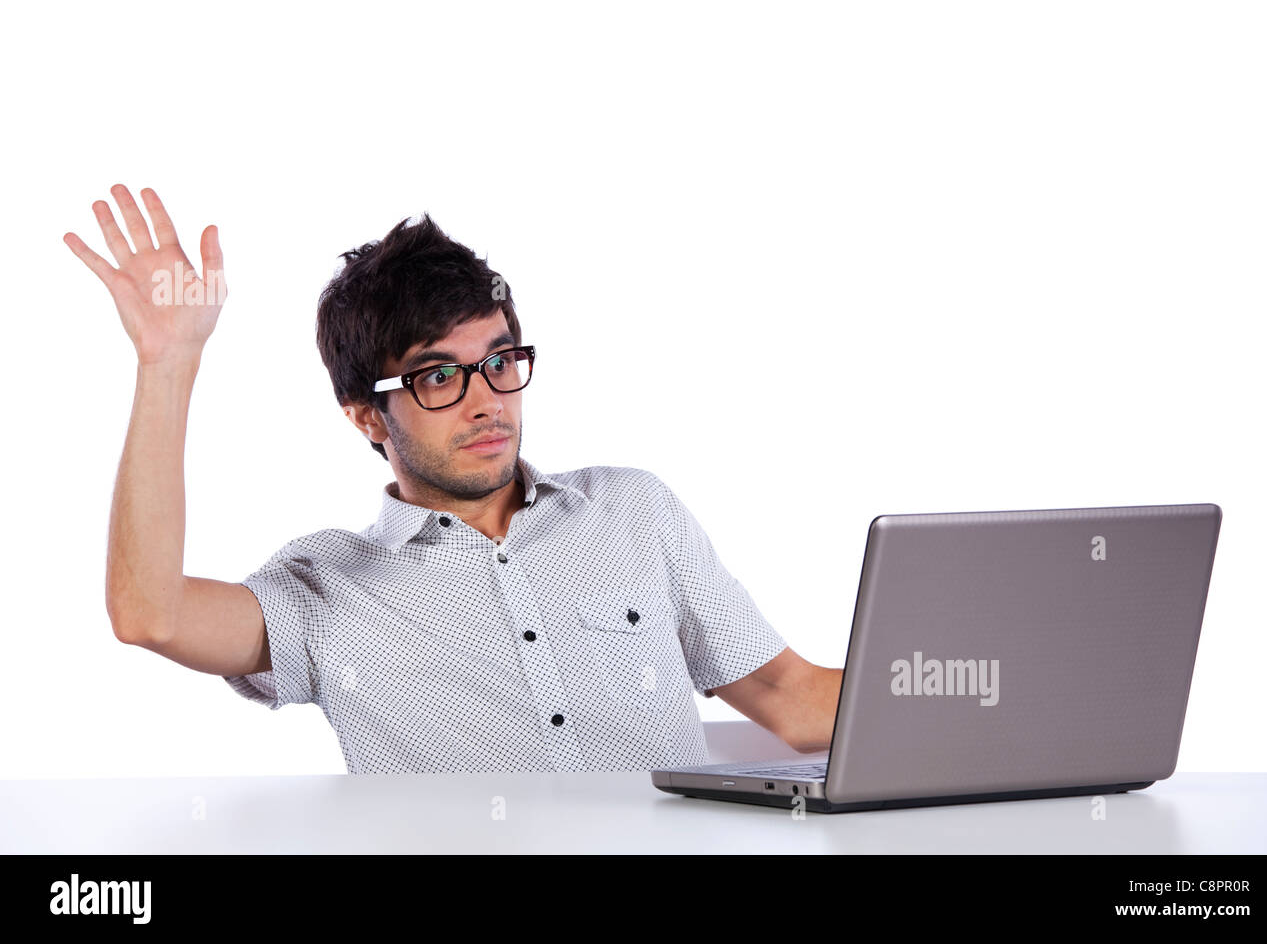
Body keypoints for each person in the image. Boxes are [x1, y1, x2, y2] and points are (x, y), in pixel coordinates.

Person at [64, 185, 842, 773]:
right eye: (440, 377)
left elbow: (791, 700)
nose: (486, 401)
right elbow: (150, 615)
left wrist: (954, 690)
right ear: (367, 417)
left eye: (500, 363)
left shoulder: (634, 511)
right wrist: (168, 363)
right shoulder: (326, 589)